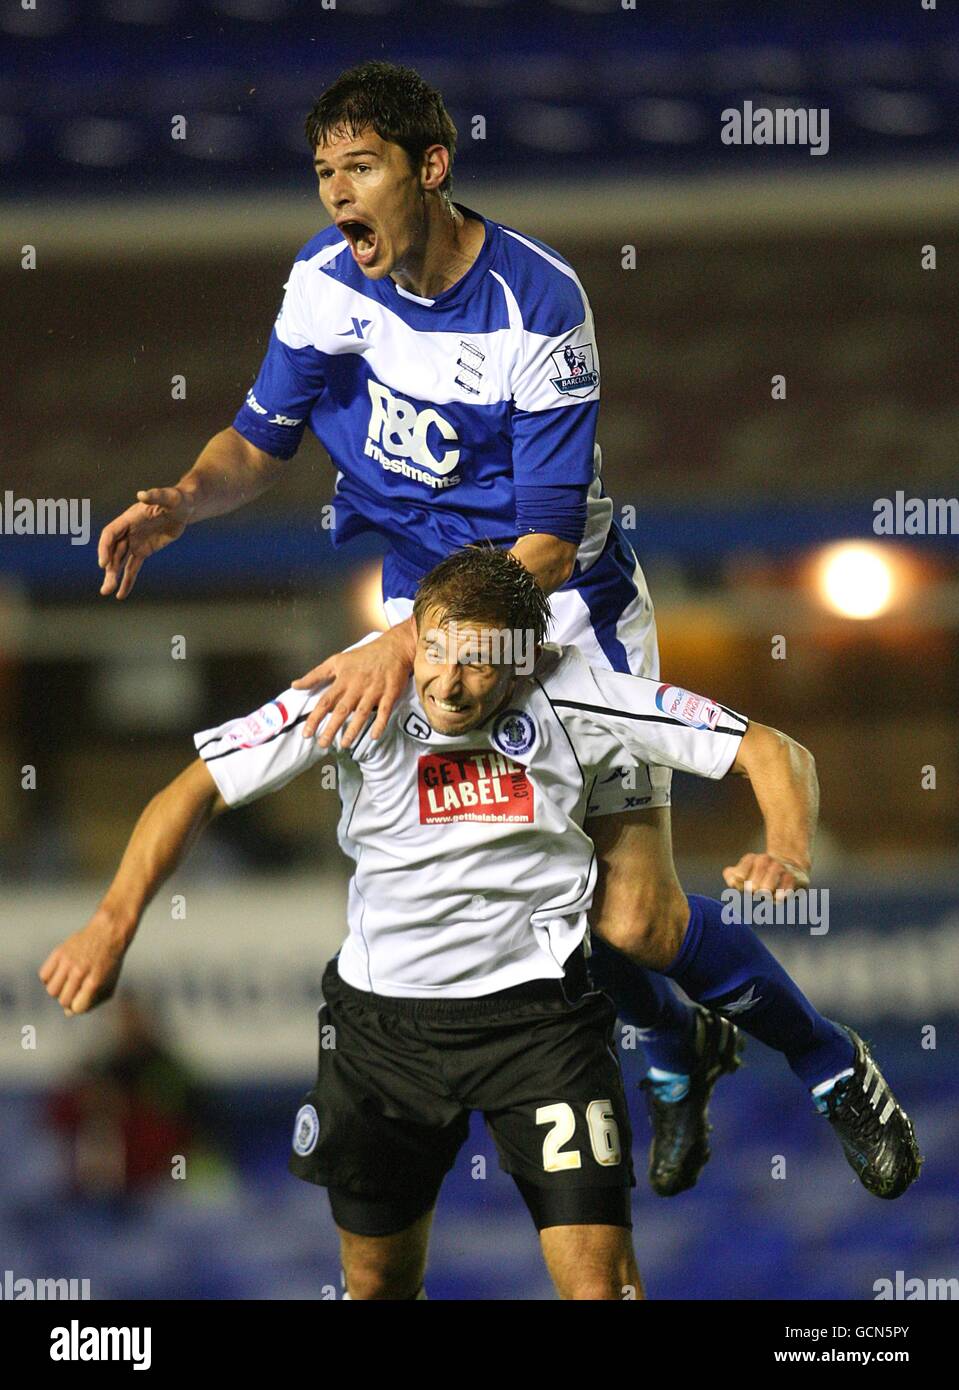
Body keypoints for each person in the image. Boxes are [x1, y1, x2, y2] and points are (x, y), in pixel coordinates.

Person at [94, 60, 904, 1198]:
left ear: (430, 168)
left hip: (561, 612)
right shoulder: (325, 281)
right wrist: (181, 498)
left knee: (634, 917)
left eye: (360, 167)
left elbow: (545, 543)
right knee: (512, 898)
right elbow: (257, 439)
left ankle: (824, 1062)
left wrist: (417, 633)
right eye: (323, 171)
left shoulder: (537, 301)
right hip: (418, 621)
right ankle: (675, 1047)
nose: (336, 192)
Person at [43, 549, 920, 1300]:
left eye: (478, 663)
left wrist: (787, 853)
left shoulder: (579, 693)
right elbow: (193, 787)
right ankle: (679, 1045)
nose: (450, 685)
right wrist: (110, 927)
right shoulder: (359, 689)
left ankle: (766, 1055)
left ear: (527, 658)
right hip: (381, 1031)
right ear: (410, 637)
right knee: (377, 1285)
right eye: (436, 655)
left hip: (540, 1025)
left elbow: (772, 750)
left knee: (601, 1283)